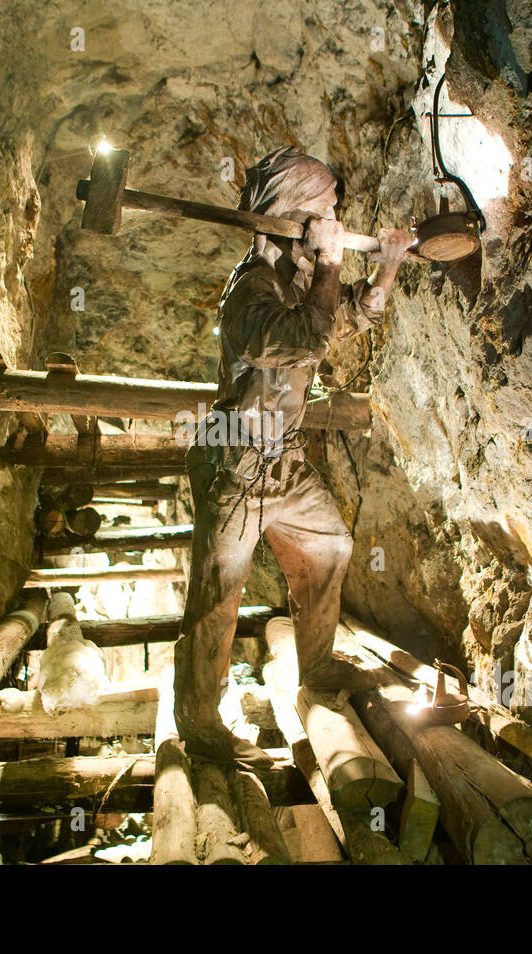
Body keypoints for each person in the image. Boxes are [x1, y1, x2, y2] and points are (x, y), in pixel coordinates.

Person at [172, 146, 414, 769]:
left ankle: (320, 665)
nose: (335, 221)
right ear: (291, 215)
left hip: (285, 459)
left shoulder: (300, 280)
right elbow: (305, 336)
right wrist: (333, 261)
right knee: (216, 592)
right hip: (238, 463)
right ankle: (199, 723)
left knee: (330, 546)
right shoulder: (250, 288)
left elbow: (342, 319)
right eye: (325, 212)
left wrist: (383, 271)